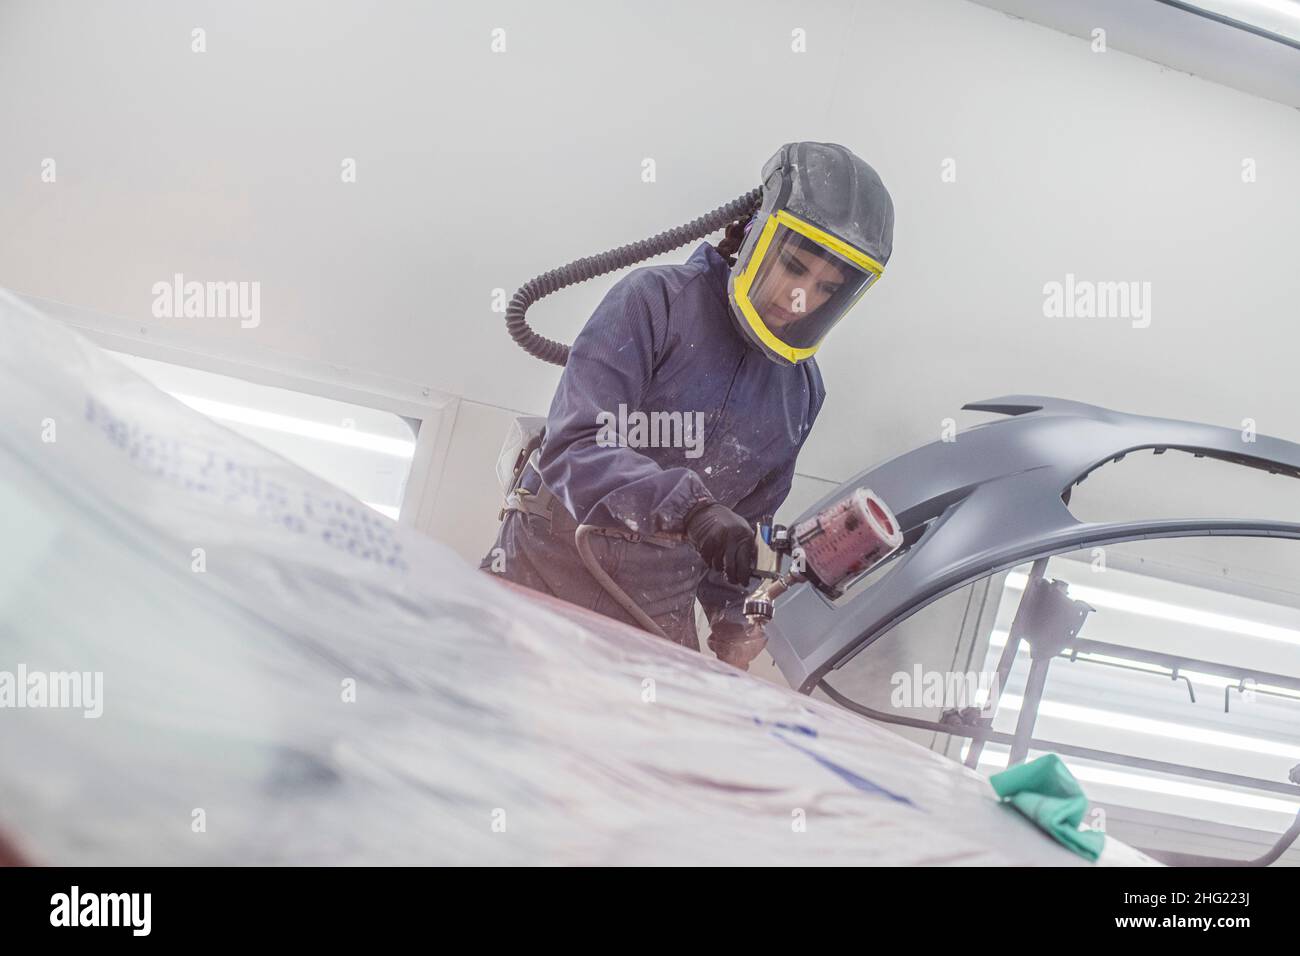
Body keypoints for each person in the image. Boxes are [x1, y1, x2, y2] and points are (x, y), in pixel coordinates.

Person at [481, 142, 894, 668]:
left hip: (651, 622)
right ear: (752, 233)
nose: (801, 300)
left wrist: (734, 618)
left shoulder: (800, 391)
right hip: (542, 575)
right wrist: (693, 510)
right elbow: (575, 448)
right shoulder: (652, 302)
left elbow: (741, 534)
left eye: (826, 289)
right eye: (793, 267)